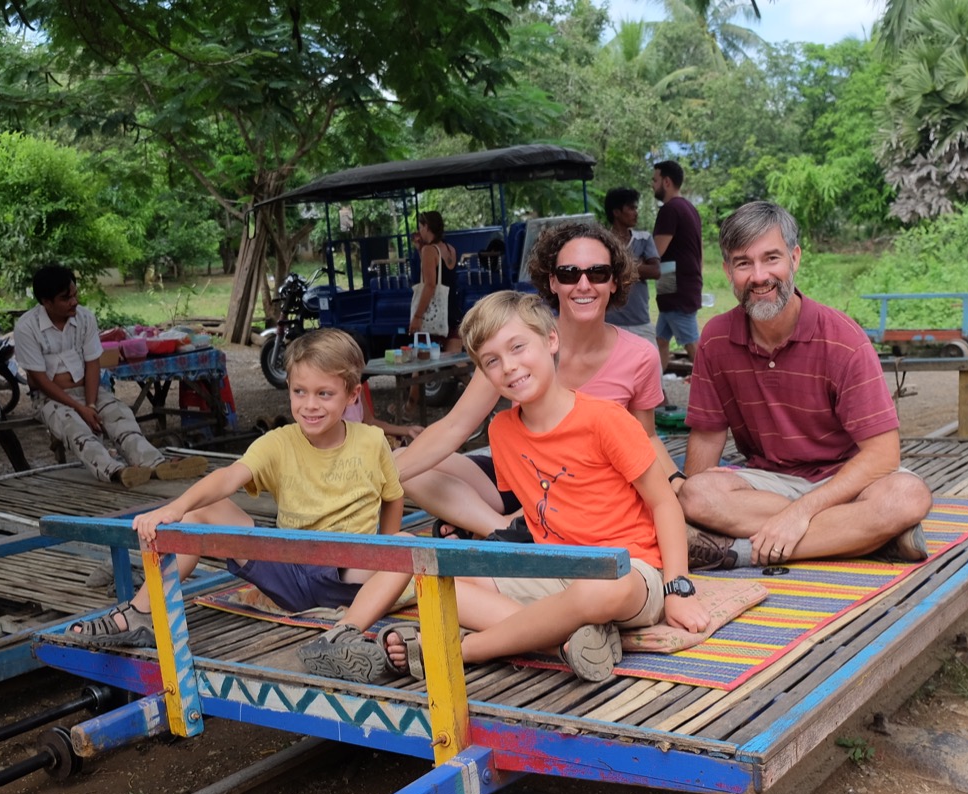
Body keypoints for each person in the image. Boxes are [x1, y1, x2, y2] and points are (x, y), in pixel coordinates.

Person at [301, 292, 709, 685]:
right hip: (553, 570)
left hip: (626, 571)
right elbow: (541, 508)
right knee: (446, 584)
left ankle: (463, 649)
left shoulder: (607, 419)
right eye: (493, 361)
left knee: (603, 589)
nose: (509, 367)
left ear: (551, 340)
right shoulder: (502, 431)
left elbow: (663, 503)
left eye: (518, 348)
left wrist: (678, 588)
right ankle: (565, 641)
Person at [70, 329, 407, 647]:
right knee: (200, 509)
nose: (310, 405)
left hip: (347, 577)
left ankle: (342, 634)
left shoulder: (371, 440)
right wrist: (176, 507)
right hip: (286, 571)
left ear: (352, 394)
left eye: (324, 394)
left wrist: (382, 551)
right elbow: (228, 477)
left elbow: (393, 497)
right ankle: (143, 613)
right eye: (299, 391)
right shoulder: (278, 442)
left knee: (404, 545)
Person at [677, 201, 933, 570]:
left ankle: (744, 554)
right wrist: (691, 507)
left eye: (771, 258)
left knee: (907, 497)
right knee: (698, 494)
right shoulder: (716, 339)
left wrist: (801, 514)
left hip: (846, 480)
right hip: (768, 482)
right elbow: (705, 438)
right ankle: (870, 539)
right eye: (744, 263)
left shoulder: (843, 340)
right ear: (727, 271)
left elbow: (882, 455)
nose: (759, 275)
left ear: (795, 259)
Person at [396, 220, 676, 541]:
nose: (583, 285)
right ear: (552, 282)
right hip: (522, 477)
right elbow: (455, 426)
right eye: (570, 274)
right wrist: (376, 481)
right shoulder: (519, 345)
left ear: (614, 282)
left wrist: (677, 481)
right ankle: (502, 529)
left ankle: (487, 525)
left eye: (597, 273)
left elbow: (646, 438)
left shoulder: (639, 355)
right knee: (398, 464)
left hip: (587, 487)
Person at [14, 264, 206, 488]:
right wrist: (80, 409)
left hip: (89, 391)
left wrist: (91, 403)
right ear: (46, 302)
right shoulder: (27, 327)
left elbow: (92, 363)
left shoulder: (85, 318)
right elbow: (40, 380)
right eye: (66, 298)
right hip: (50, 398)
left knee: (120, 415)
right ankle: (115, 471)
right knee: (76, 429)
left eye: (75, 295)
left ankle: (155, 464)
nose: (74, 302)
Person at [651, 160, 704, 371]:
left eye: (655, 180)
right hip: (676, 285)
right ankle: (658, 391)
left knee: (691, 343)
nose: (653, 185)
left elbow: (656, 253)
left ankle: (716, 390)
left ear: (666, 182)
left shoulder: (670, 210)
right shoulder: (689, 208)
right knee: (661, 340)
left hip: (676, 288)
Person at [603, 187, 662, 343]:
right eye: (631, 208)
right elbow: (602, 273)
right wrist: (639, 265)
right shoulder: (602, 241)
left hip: (640, 321)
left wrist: (617, 267)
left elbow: (656, 271)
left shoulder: (644, 238)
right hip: (609, 322)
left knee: (651, 365)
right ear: (616, 212)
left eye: (636, 208)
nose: (636, 212)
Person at [407, 211, 461, 355]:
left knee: (421, 360)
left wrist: (417, 316)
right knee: (455, 360)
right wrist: (420, 251)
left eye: (420, 227)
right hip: (452, 310)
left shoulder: (429, 250)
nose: (419, 231)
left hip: (434, 312)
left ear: (427, 227)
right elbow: (442, 275)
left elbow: (430, 284)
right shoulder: (451, 249)